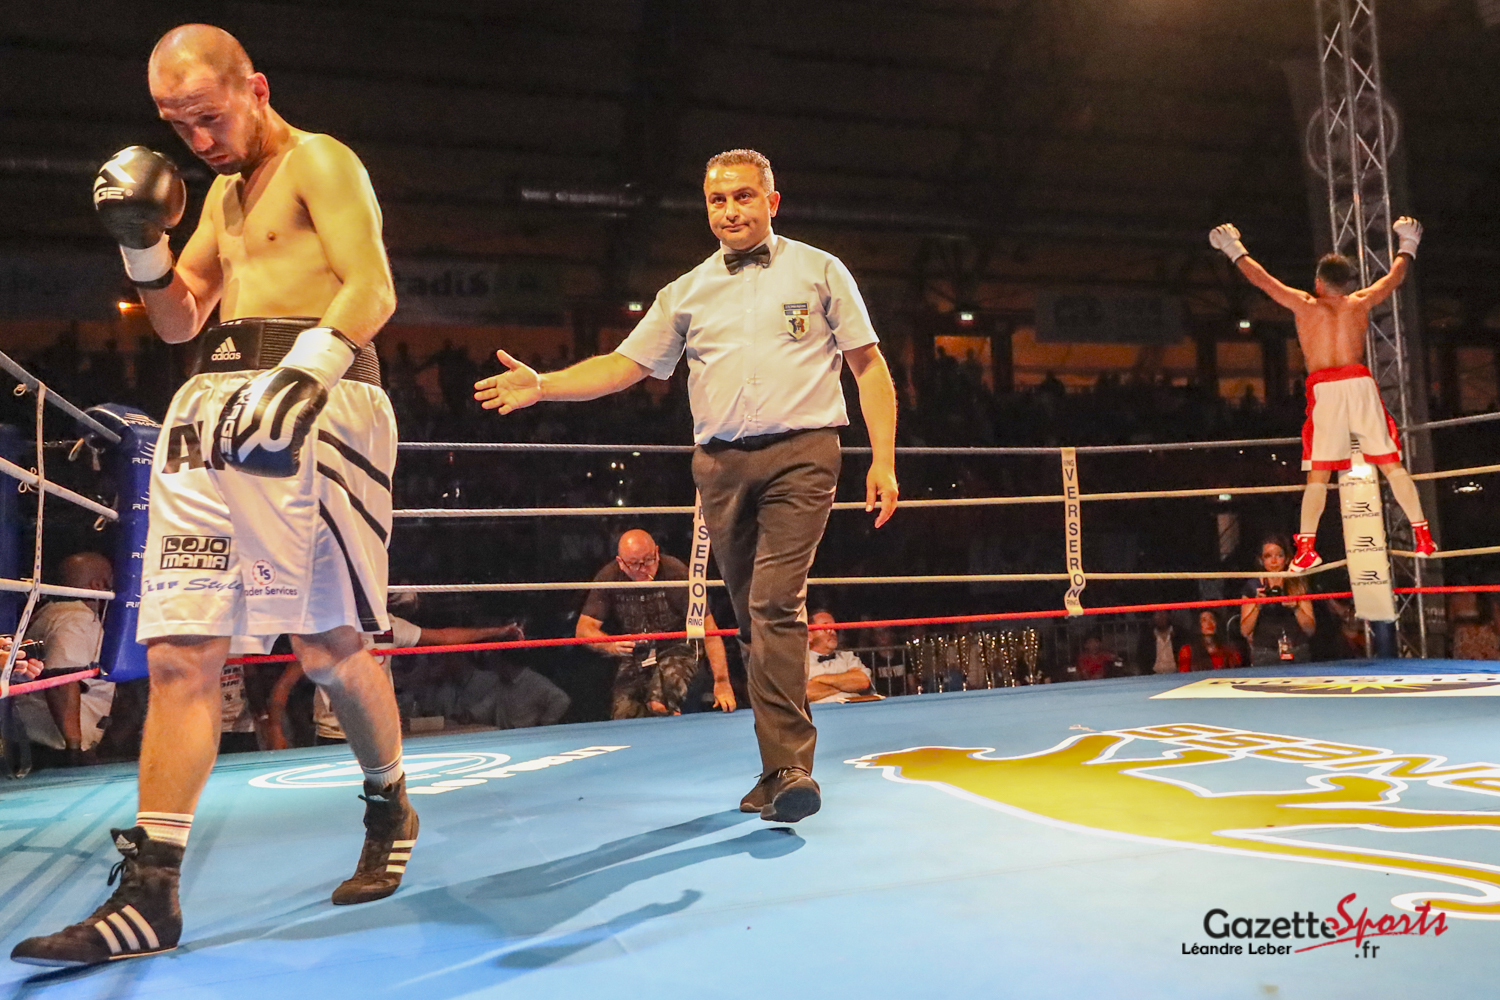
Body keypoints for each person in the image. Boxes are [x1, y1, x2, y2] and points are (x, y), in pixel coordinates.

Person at [13, 25, 410, 968]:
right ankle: (152, 891)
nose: (195, 138)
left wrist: (307, 371)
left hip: (320, 402)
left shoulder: (321, 159)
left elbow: (373, 287)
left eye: (207, 114)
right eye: (174, 123)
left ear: (255, 87)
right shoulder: (224, 196)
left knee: (327, 647)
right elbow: (180, 317)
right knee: (183, 647)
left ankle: (388, 797)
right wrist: (143, 246)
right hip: (211, 409)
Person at [476, 149, 899, 823]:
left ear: (771, 201)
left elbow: (868, 367)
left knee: (774, 603)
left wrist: (884, 459)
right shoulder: (687, 290)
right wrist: (545, 384)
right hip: (720, 466)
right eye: (717, 200)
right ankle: (775, 767)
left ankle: (791, 763)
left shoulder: (821, 270)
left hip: (805, 454)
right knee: (752, 619)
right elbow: (625, 365)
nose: (730, 211)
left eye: (743, 197)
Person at [1210, 220, 1436, 571]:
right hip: (1359, 383)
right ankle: (1423, 536)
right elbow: (1394, 278)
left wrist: (1233, 249)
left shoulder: (1306, 304)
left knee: (1318, 474)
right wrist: (1408, 244)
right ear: (1346, 283)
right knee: (1391, 465)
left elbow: (1262, 281)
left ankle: (1306, 549)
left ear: (1318, 282)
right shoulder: (1359, 302)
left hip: (1326, 389)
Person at [265, 605, 524, 747]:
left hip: (379, 728)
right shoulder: (327, 631)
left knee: (384, 795)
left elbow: (443, 637)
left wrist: (496, 632)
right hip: (335, 733)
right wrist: (275, 730)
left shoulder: (387, 625)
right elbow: (285, 684)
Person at [577, 529, 735, 719]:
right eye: (635, 564)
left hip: (679, 648)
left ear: (657, 552)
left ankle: (674, 742)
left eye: (649, 560)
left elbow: (709, 628)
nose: (644, 569)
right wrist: (609, 644)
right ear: (621, 563)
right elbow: (584, 629)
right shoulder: (609, 577)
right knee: (624, 714)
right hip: (637, 653)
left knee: (660, 703)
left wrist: (722, 681)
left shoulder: (675, 573)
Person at [13, 553, 115, 763]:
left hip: (36, 741)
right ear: (97, 585)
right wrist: (75, 750)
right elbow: (63, 681)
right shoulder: (77, 619)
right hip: (56, 748)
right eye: (110, 584)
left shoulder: (51, 613)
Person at [1239, 535, 1316, 665]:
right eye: (1268, 556)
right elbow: (1245, 631)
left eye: (1278, 555)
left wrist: (1296, 607)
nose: (1274, 561)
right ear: (1261, 560)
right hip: (1264, 652)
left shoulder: (1297, 584)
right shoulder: (1253, 586)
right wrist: (1257, 606)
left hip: (1297, 650)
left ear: (1286, 559)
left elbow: (1310, 629)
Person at [805, 611, 873, 704]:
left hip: (853, 710)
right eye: (826, 628)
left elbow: (862, 681)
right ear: (809, 635)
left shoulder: (847, 657)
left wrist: (820, 680)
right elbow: (806, 693)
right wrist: (846, 686)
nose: (832, 632)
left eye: (834, 627)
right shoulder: (800, 661)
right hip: (819, 714)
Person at [1177, 610, 1243, 671]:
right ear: (1198, 625)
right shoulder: (1187, 651)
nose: (1209, 623)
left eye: (1212, 619)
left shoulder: (1230, 650)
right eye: (1204, 620)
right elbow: (1184, 677)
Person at [1137, 609, 1182, 676]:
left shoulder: (1181, 634)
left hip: (1178, 675)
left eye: (1163, 613)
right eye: (1157, 613)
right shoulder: (1146, 637)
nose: (1160, 616)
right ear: (1153, 616)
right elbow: (1141, 659)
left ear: (1169, 615)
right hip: (1154, 676)